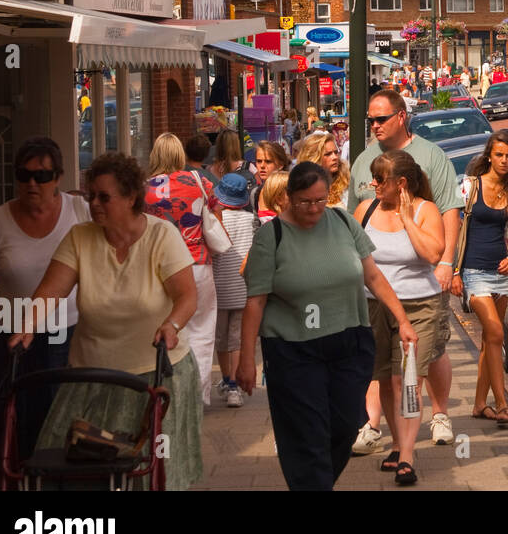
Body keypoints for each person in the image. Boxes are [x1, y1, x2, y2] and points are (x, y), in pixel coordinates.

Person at [15, 152, 202, 491]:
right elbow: (50, 291)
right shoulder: (80, 238)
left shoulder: (162, 236)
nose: (95, 204)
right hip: (93, 375)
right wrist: (28, 324)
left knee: (149, 475)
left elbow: (187, 295)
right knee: (69, 462)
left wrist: (171, 326)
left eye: (104, 197)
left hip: (155, 374)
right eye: (91, 197)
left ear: (131, 197)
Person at [237, 162, 417, 491]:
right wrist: (246, 357)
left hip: (349, 342)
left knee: (347, 425)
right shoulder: (271, 236)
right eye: (306, 202)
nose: (314, 209)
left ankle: (313, 482)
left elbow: (373, 277)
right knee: (308, 432)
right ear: (288, 198)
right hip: (293, 350)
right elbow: (256, 302)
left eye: (320, 200)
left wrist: (402, 320)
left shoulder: (343, 221)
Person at [0, 137, 89, 487]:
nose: (32, 183)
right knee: (13, 425)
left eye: (42, 175)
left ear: (58, 178)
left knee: (64, 423)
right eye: (24, 175)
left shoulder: (80, 213)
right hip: (13, 338)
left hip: (69, 333)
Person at [348, 90, 463, 453]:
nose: (375, 126)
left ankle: (440, 414)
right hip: (377, 292)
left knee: (432, 351)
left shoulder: (431, 155)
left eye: (381, 119)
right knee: (385, 367)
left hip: (423, 283)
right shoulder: (365, 160)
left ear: (401, 117)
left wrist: (447, 262)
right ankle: (375, 425)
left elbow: (449, 210)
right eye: (370, 120)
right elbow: (356, 220)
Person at [355, 150, 446, 484]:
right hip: (373, 306)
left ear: (402, 183)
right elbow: (354, 255)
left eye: (381, 180)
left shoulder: (426, 210)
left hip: (418, 306)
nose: (374, 184)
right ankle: (396, 443)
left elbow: (434, 253)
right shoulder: (365, 209)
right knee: (383, 378)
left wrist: (407, 218)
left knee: (406, 380)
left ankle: (407, 456)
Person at [455, 132, 508, 426]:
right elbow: (455, 226)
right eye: (499, 155)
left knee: (489, 341)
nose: (504, 160)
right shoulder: (470, 186)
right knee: (496, 333)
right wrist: (454, 271)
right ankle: (501, 403)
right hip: (473, 271)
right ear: (489, 156)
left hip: (500, 273)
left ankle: (478, 404)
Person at [145, 132, 223, 407]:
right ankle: (197, 397)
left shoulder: (145, 188)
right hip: (197, 263)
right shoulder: (199, 181)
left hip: (159, 269)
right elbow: (216, 216)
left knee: (164, 329)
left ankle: (166, 393)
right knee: (201, 333)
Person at [211, 173, 256, 408]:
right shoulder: (251, 220)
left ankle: (227, 379)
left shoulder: (215, 220)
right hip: (242, 288)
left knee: (220, 339)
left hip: (218, 288)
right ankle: (234, 387)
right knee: (237, 339)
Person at [297, 131, 351, 209]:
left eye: (336, 152)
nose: (335, 157)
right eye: (328, 154)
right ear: (314, 158)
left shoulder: (346, 182)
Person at [250, 141, 290, 213]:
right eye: (259, 161)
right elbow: (256, 222)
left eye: (268, 161)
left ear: (281, 164)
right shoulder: (255, 193)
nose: (262, 166)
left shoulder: (291, 191)